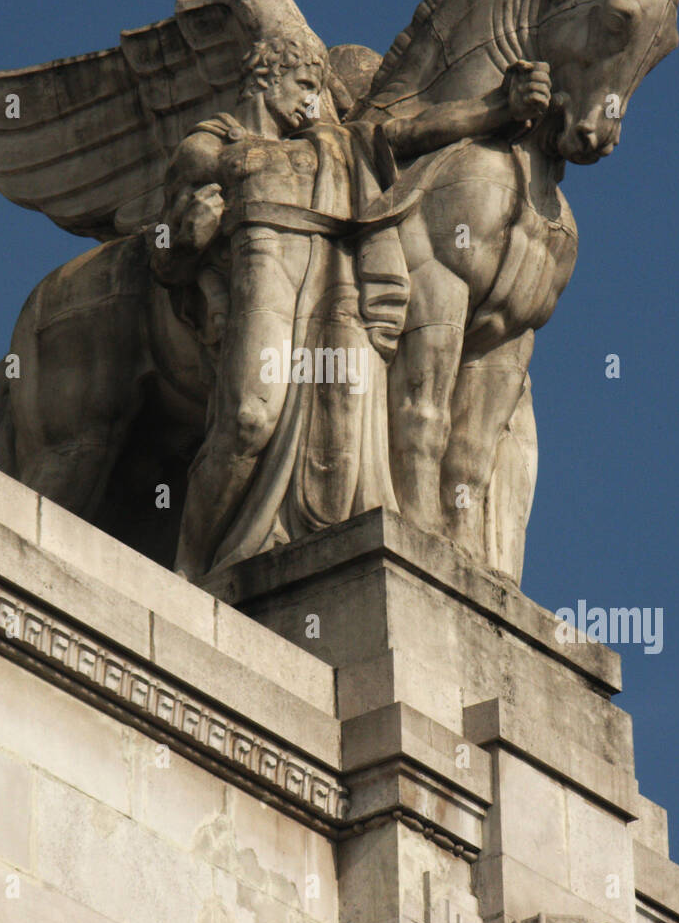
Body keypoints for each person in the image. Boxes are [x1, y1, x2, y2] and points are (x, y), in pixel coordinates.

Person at [153, 32, 550, 579]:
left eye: (318, 89)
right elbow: (163, 252)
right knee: (247, 418)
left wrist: (498, 108)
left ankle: (302, 539)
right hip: (262, 280)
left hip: (335, 295)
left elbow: (413, 131)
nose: (313, 101)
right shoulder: (213, 144)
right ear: (264, 78)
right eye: (305, 85)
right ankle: (188, 567)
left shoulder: (339, 143)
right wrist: (185, 237)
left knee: (345, 434)